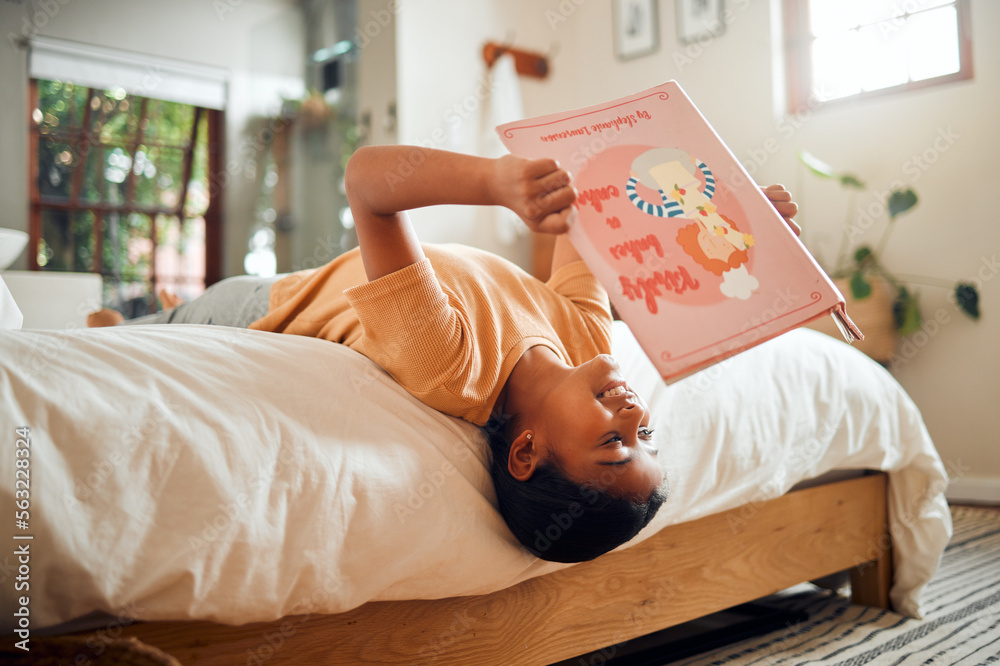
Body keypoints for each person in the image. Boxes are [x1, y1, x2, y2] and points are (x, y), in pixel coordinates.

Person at [88, 145, 800, 563]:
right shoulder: (589, 340)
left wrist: (493, 183)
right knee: (127, 320)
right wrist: (725, 222)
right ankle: (115, 316)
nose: (636, 410)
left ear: (525, 453)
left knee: (127, 338)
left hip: (260, 305)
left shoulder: (449, 363)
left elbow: (367, 182)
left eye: (615, 442)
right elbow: (595, 225)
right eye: (646, 433)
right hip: (297, 281)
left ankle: (113, 323)